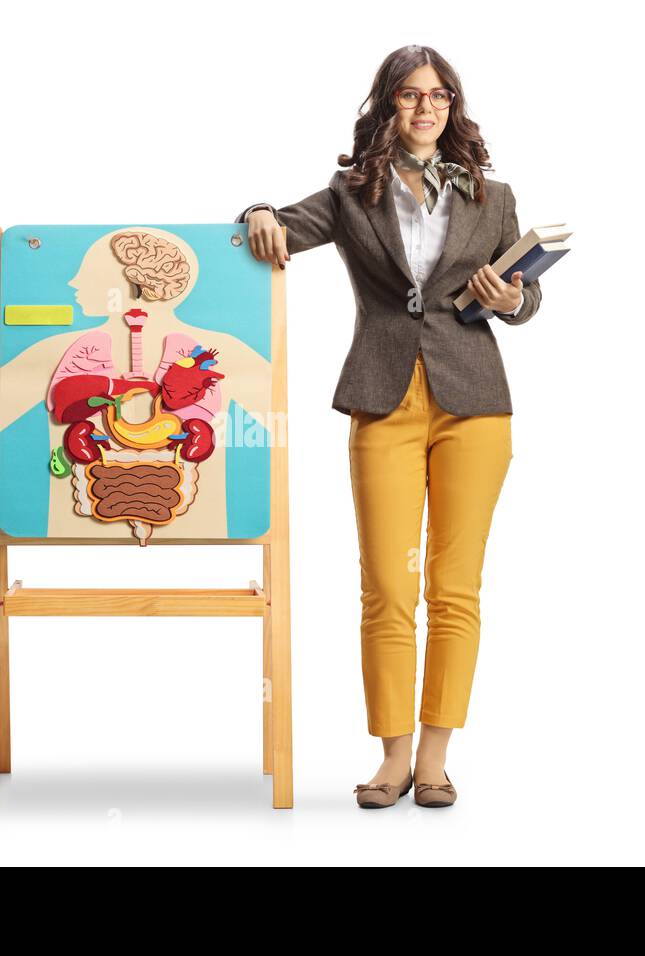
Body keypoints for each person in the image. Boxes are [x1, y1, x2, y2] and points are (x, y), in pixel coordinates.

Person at [235, 44, 543, 809]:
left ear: (453, 106)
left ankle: (436, 757)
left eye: (438, 95)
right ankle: (393, 758)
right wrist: (255, 212)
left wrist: (512, 301)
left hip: (474, 399)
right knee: (386, 586)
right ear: (387, 106)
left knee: (455, 586)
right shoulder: (351, 191)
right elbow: (274, 227)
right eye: (410, 95)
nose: (426, 107)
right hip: (383, 396)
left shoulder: (492, 196)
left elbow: (525, 294)